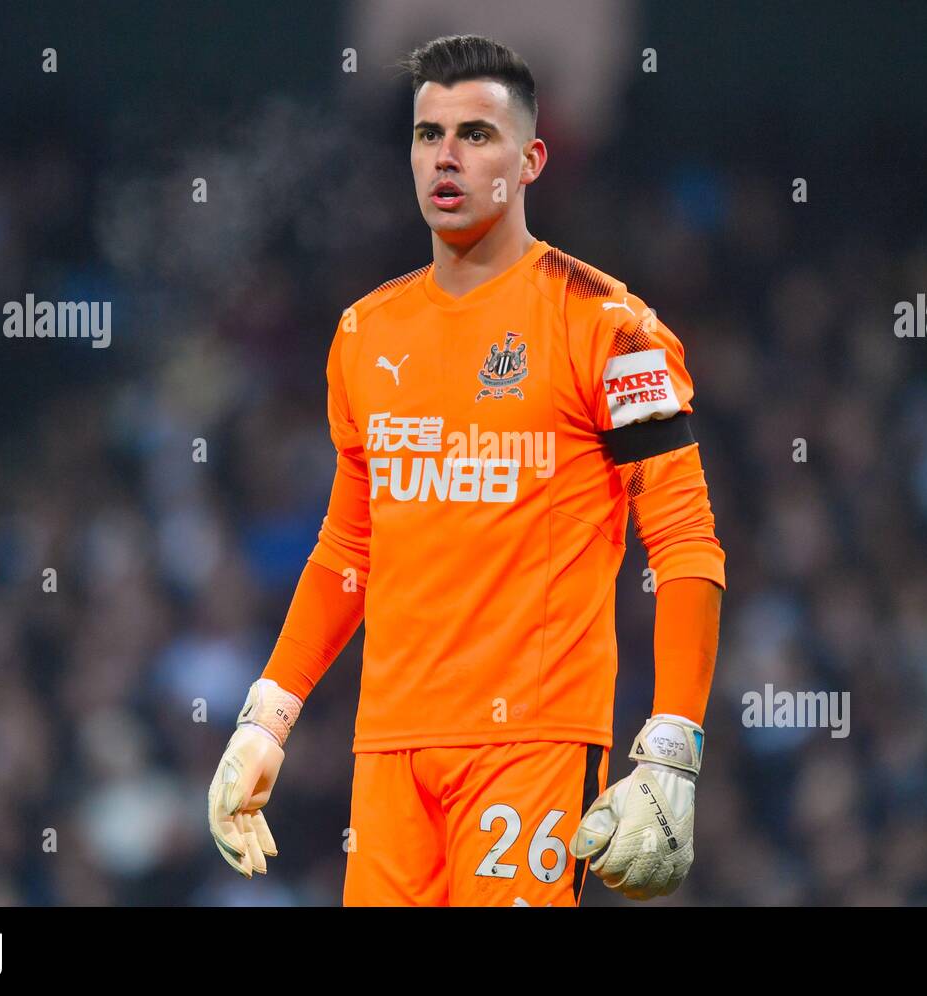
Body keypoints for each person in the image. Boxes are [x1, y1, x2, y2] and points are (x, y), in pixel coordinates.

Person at [208, 33, 725, 906]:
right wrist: (268, 716)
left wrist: (672, 743)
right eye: (426, 133)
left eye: (475, 134)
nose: (445, 156)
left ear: (530, 160)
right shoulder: (364, 334)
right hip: (389, 754)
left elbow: (684, 542)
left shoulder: (607, 327)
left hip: (532, 745)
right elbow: (349, 545)